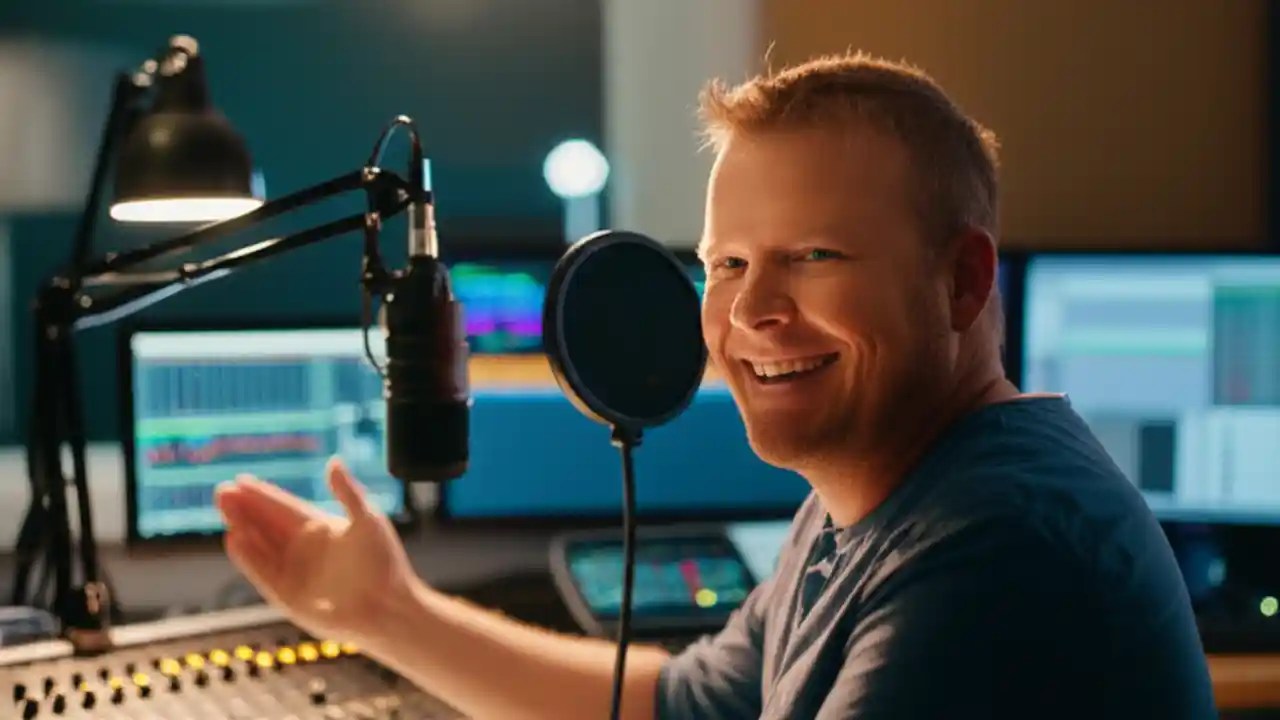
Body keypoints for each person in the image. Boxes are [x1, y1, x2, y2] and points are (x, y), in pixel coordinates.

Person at [215, 51, 1217, 719]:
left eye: (813, 255)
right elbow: (676, 708)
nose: (747, 315)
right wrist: (388, 612)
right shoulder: (866, 495)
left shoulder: (997, 552)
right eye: (726, 264)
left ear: (959, 281)